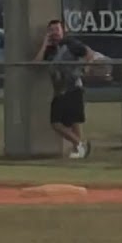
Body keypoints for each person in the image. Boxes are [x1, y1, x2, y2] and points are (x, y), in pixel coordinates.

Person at [38, 19, 97, 158]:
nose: (54, 33)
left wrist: (85, 69)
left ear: (63, 31)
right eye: (51, 30)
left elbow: (89, 53)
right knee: (60, 122)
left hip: (73, 87)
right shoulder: (50, 49)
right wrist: (45, 43)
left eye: (57, 30)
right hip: (59, 90)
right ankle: (80, 146)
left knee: (68, 122)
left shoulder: (71, 44)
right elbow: (37, 62)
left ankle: (79, 146)